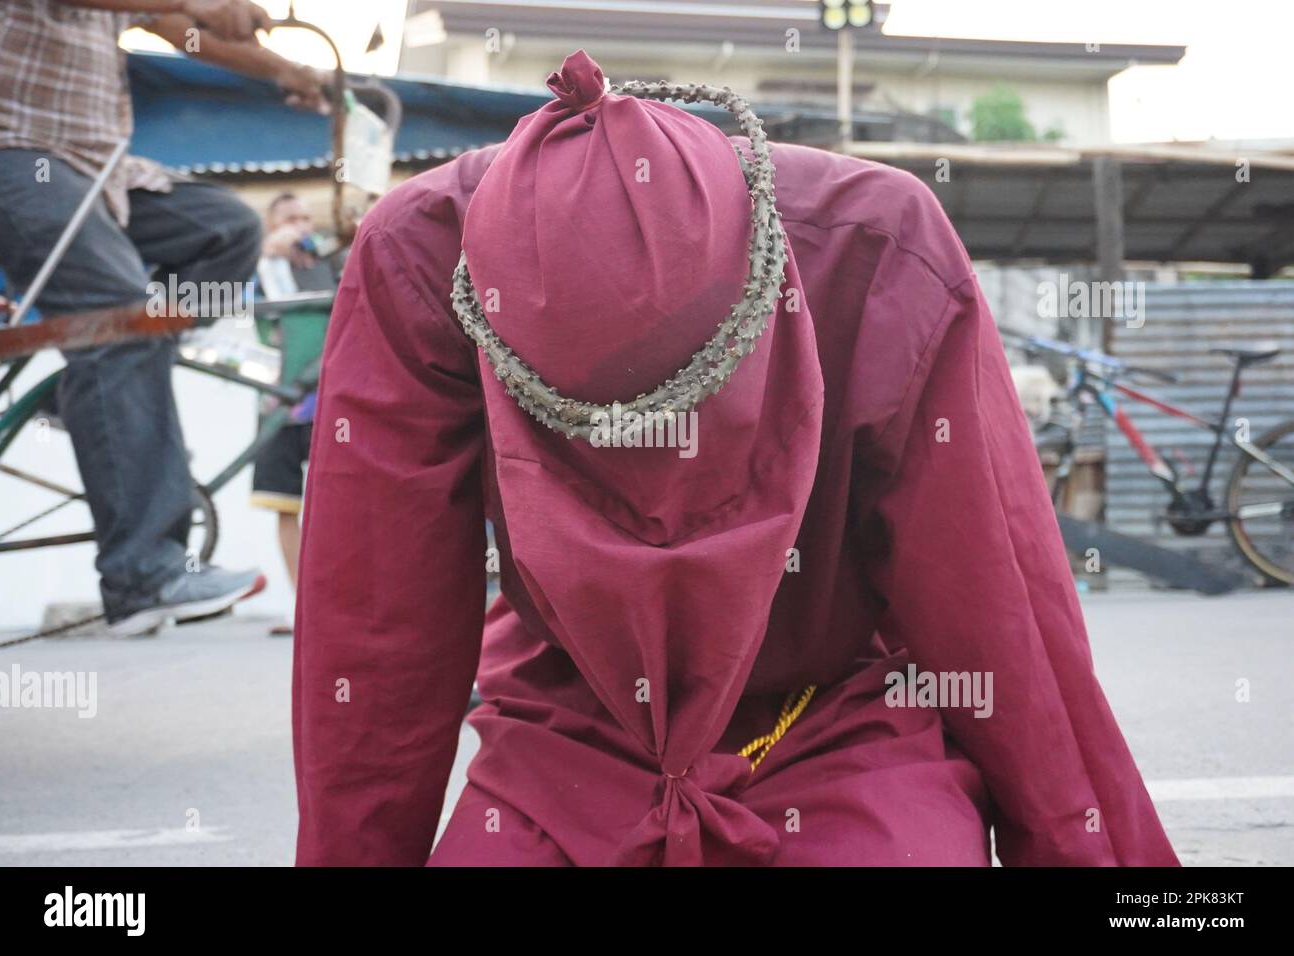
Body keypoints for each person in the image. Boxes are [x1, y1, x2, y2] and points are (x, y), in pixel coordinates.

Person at [292, 51, 1178, 866]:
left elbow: (995, 600)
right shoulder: (419, 255)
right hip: (573, 716)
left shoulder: (877, 243)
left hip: (834, 708)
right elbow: (377, 627)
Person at [0, 0, 329, 636]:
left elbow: (189, 34)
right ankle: (143, 574)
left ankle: (107, 399)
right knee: (121, 319)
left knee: (227, 232)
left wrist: (288, 72)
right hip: (15, 155)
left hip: (100, 170)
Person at [251, 192, 338, 636]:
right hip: (278, 404)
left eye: (306, 218)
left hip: (331, 400)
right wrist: (268, 255)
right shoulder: (259, 269)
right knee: (286, 504)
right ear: (271, 226)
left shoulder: (330, 262)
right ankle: (301, 604)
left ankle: (338, 601)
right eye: (289, 219)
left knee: (341, 503)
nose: (301, 226)